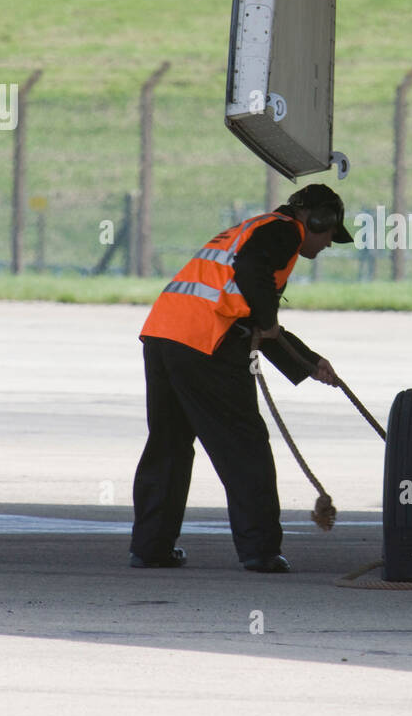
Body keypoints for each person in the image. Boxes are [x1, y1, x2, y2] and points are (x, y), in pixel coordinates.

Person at [130, 184, 352, 573]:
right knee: (244, 444)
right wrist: (269, 323)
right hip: (206, 343)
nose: (330, 243)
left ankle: (151, 547)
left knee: (169, 443)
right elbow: (255, 301)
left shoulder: (253, 229)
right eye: (332, 233)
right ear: (318, 220)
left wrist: (309, 363)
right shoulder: (285, 232)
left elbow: (251, 316)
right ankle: (260, 549)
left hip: (164, 334)